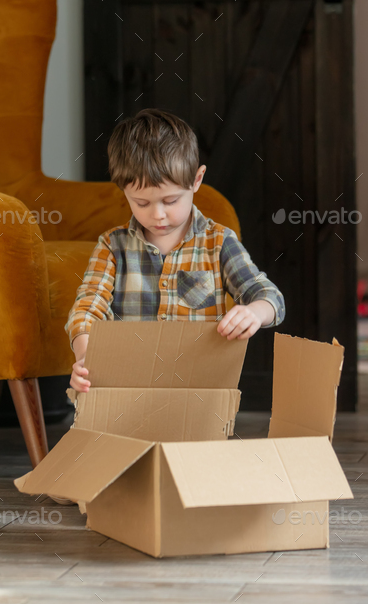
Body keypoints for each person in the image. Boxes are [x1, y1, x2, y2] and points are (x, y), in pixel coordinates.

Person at [66, 109, 285, 393]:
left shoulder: (218, 242)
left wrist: (255, 312)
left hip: (198, 392)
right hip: (127, 390)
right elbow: (86, 309)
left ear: (196, 180)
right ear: (123, 191)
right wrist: (86, 356)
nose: (158, 215)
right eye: (141, 203)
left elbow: (270, 297)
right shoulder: (112, 246)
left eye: (170, 200)